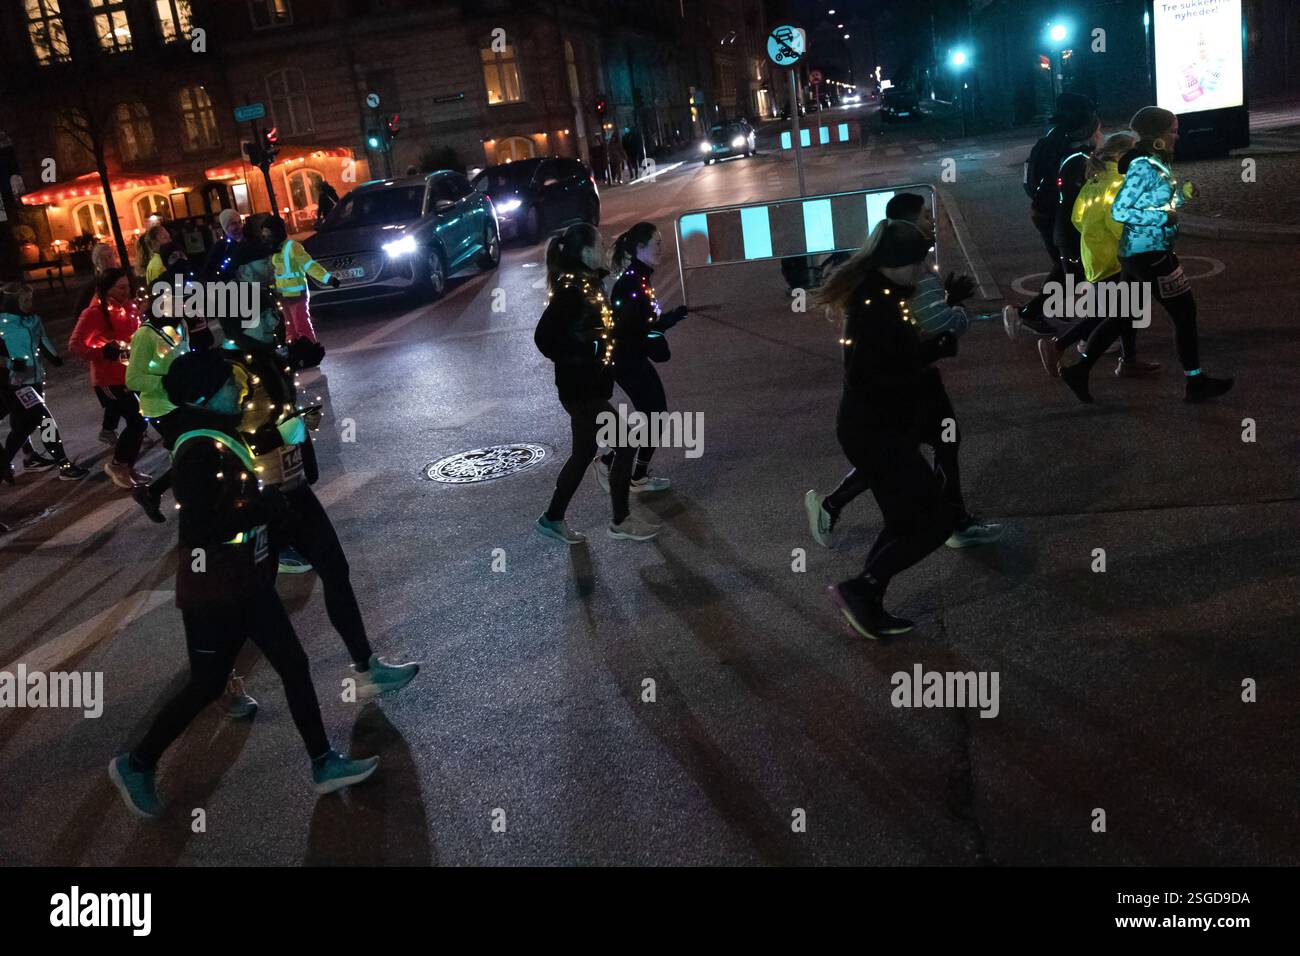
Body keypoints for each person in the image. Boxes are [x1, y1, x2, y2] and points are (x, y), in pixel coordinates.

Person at [108, 349, 381, 819]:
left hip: (246, 581)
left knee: (294, 664)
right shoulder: (197, 449)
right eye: (228, 384)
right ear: (203, 396)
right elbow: (202, 523)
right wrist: (263, 508)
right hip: (214, 590)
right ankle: (135, 764)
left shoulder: (218, 434)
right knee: (205, 684)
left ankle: (323, 764)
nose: (239, 389)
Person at [215, 300, 419, 701]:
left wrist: (299, 435)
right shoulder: (233, 371)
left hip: (292, 490)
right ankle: (219, 683)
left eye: (273, 310)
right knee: (250, 598)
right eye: (264, 312)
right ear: (241, 322)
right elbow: (225, 437)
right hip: (257, 501)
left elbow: (280, 414)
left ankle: (366, 668)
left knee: (335, 569)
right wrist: (282, 432)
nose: (274, 317)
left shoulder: (269, 358)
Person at [806, 195, 1001, 551]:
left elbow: (917, 319)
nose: (931, 221)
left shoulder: (887, 261)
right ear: (911, 219)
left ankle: (835, 506)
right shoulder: (909, 264)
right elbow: (939, 324)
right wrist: (957, 309)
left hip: (905, 380)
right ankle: (945, 526)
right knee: (928, 448)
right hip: (911, 382)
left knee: (917, 448)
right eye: (926, 215)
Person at [817, 220, 963, 639]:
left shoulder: (883, 294)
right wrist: (931, 351)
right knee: (936, 521)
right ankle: (860, 589)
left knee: (904, 520)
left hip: (878, 429)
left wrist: (928, 346)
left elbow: (892, 359)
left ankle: (867, 597)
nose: (923, 269)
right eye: (917, 262)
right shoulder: (875, 306)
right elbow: (868, 377)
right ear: (896, 262)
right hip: (876, 433)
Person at [1060, 106, 1234, 404]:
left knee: (1122, 315)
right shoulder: (1144, 166)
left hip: (1135, 253)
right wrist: (1160, 219)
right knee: (1185, 314)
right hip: (1151, 253)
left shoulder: (1150, 162)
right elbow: (1122, 209)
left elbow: (1155, 199)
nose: (1177, 136)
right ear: (1157, 135)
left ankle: (1080, 370)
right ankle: (1195, 382)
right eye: (1173, 131)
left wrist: (1183, 194)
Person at [533, 223, 657, 543]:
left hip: (586, 387)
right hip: (581, 391)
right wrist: (586, 352)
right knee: (626, 443)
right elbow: (544, 338)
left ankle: (552, 518)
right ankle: (621, 520)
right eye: (599, 244)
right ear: (586, 252)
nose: (604, 248)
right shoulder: (571, 290)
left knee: (584, 451)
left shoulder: (587, 283)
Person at [1034, 131, 1160, 378]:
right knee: (1112, 313)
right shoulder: (1120, 184)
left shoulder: (1095, 181)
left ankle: (1128, 360)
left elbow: (1077, 217)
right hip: (1117, 259)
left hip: (1095, 257)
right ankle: (1058, 345)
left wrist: (1095, 240)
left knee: (1125, 310)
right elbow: (1120, 225)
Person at [592, 222, 687, 494]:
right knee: (656, 416)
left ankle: (631, 471)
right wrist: (662, 325)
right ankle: (617, 465)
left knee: (655, 415)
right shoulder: (631, 284)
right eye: (656, 244)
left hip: (632, 358)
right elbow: (630, 329)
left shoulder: (639, 278)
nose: (661, 249)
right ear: (639, 248)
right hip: (626, 362)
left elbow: (641, 325)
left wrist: (666, 321)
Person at [1005, 93, 1101, 338]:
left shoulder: (1051, 136)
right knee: (1072, 266)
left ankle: (1048, 310)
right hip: (1057, 215)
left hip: (1045, 211)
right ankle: (1029, 313)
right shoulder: (1068, 143)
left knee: (1065, 266)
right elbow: (1069, 187)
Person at [69, 268, 150, 489]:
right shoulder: (94, 313)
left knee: (141, 421)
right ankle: (118, 465)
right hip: (108, 380)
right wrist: (103, 352)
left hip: (130, 375)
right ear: (107, 289)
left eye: (127, 287)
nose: (126, 291)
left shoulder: (129, 308)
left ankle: (127, 467)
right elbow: (75, 345)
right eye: (120, 287)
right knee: (136, 419)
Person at [0, 283, 89, 483]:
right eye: (24, 300)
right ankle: (64, 465)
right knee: (45, 419)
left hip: (36, 378)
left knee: (24, 425)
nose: (29, 304)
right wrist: (12, 363)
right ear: (12, 301)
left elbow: (43, 340)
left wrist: (55, 357)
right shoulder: (2, 324)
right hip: (16, 382)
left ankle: (11, 462)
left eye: (31, 299)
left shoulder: (34, 320)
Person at [124, 297, 192, 521]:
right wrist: (165, 383)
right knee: (189, 457)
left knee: (190, 456)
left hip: (182, 402)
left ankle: (151, 493)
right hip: (160, 408)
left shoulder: (179, 324)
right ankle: (190, 509)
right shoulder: (145, 335)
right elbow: (133, 379)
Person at [264, 215, 338, 361]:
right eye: (265, 235)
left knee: (302, 326)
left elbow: (309, 265)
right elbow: (275, 273)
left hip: (297, 294)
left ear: (276, 232)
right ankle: (295, 355)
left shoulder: (292, 247)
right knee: (289, 329)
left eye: (268, 234)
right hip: (282, 296)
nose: (266, 238)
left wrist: (327, 278)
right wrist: (271, 289)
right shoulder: (274, 251)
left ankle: (310, 354)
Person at [73, 244, 125, 445]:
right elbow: (80, 317)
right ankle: (112, 428)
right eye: (104, 257)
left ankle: (131, 424)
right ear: (97, 262)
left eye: (111, 255)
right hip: (106, 347)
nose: (109, 260)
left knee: (128, 387)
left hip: (124, 343)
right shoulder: (93, 287)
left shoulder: (121, 278)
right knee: (116, 391)